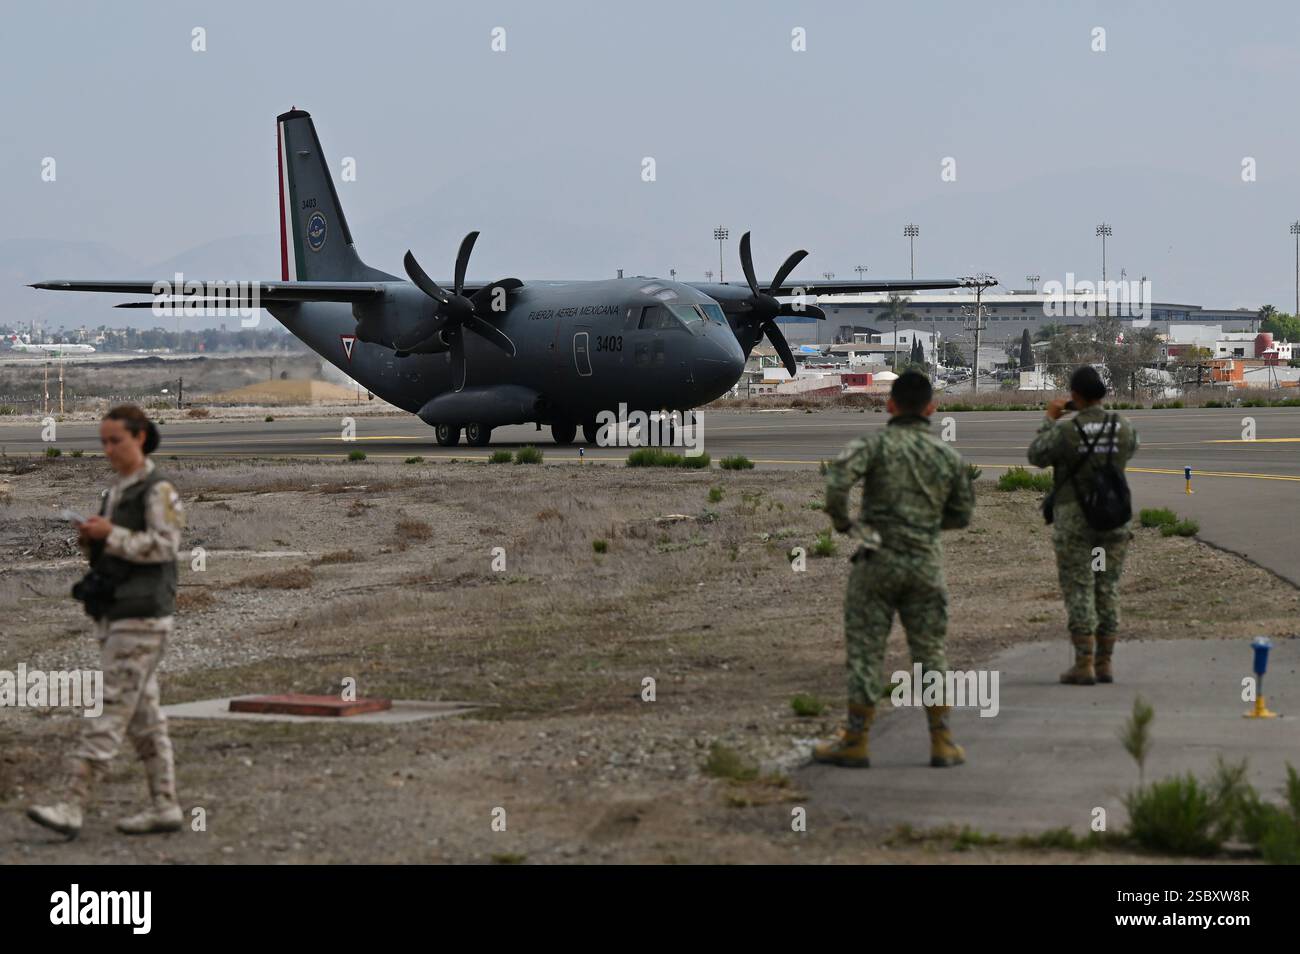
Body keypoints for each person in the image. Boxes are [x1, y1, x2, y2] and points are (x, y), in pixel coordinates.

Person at [28, 404, 185, 838]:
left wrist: (109, 535)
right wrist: (92, 541)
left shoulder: (158, 491)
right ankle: (165, 805)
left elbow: (164, 547)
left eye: (115, 440)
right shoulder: (117, 492)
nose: (109, 450)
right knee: (145, 718)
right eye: (103, 442)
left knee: (110, 713)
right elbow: (118, 550)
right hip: (119, 609)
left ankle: (73, 806)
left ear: (139, 438)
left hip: (143, 616)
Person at [816, 370, 975, 768]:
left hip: (877, 560)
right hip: (925, 564)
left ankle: (856, 738)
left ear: (890, 406)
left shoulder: (874, 444)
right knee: (930, 651)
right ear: (931, 409)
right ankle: (942, 741)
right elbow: (961, 514)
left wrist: (843, 524)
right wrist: (923, 528)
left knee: (867, 650)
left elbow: (837, 482)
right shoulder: (947, 456)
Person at [1027, 366, 1139, 685]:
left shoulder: (1066, 431)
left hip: (1075, 520)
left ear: (1075, 396)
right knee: (1107, 586)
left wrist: (1050, 418)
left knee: (1080, 587)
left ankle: (1084, 662)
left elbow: (1036, 455)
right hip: (1113, 518)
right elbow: (1130, 450)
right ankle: (1105, 662)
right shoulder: (1122, 427)